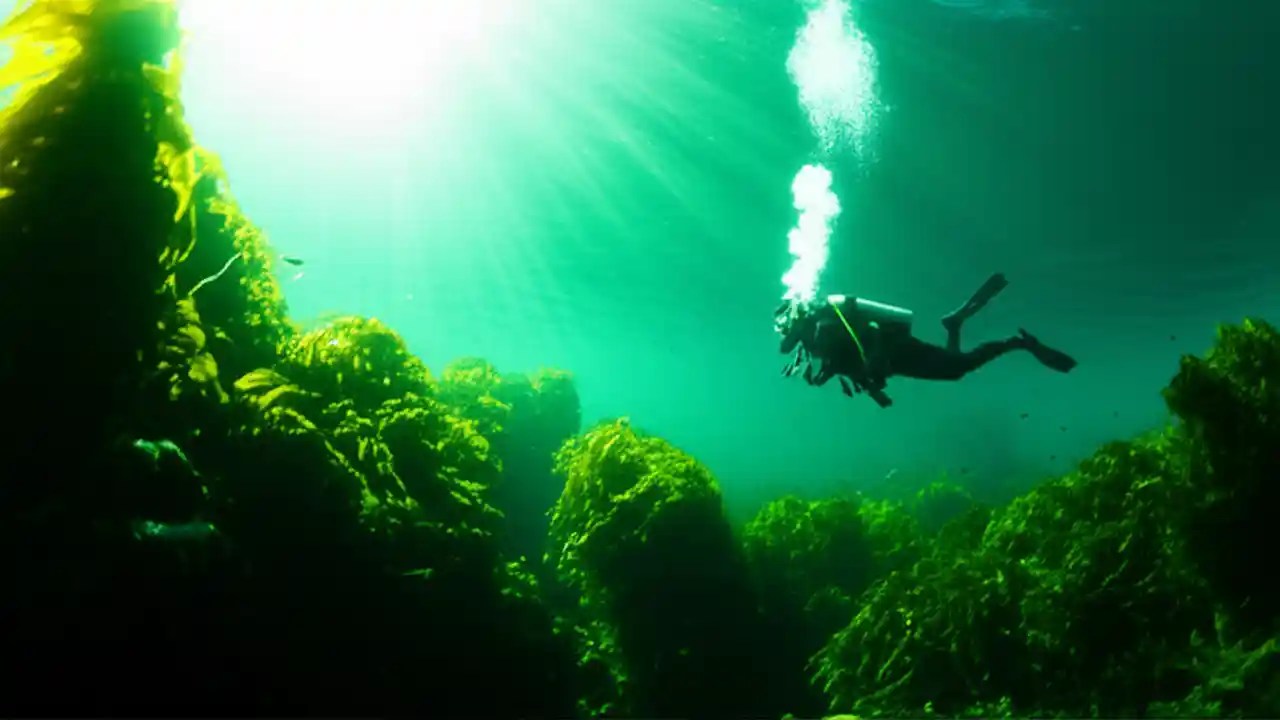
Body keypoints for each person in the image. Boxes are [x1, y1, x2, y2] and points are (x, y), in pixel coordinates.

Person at [775, 273, 1076, 408]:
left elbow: (871, 329)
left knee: (957, 368)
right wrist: (870, 388)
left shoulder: (824, 327)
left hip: (897, 351)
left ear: (796, 318)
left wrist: (875, 358)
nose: (786, 336)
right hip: (894, 361)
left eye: (786, 326)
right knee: (954, 369)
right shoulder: (814, 343)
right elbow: (844, 363)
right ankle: (954, 325)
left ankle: (1015, 343)